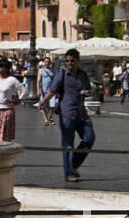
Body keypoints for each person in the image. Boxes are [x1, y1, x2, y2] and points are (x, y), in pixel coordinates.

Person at [39, 49, 95, 182]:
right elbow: (52, 90)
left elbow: (89, 89)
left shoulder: (83, 75)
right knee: (68, 144)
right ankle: (69, 173)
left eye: (72, 61)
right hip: (67, 113)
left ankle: (74, 164)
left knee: (89, 138)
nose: (69, 63)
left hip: (81, 113)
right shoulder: (62, 74)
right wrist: (43, 102)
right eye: (67, 61)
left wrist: (89, 92)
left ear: (78, 61)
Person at [0, 58, 22, 141]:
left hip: (6, 111)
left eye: (0, 66)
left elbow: (23, 90)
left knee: (4, 137)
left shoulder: (12, 80)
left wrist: (18, 100)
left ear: (6, 68)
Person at [38, 56, 57, 126]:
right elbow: (38, 81)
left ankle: (50, 117)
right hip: (43, 91)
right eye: (46, 61)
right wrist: (38, 90)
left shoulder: (53, 70)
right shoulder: (41, 70)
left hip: (52, 91)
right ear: (44, 62)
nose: (47, 63)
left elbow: (56, 81)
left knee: (53, 105)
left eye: (48, 61)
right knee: (44, 106)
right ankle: (46, 119)